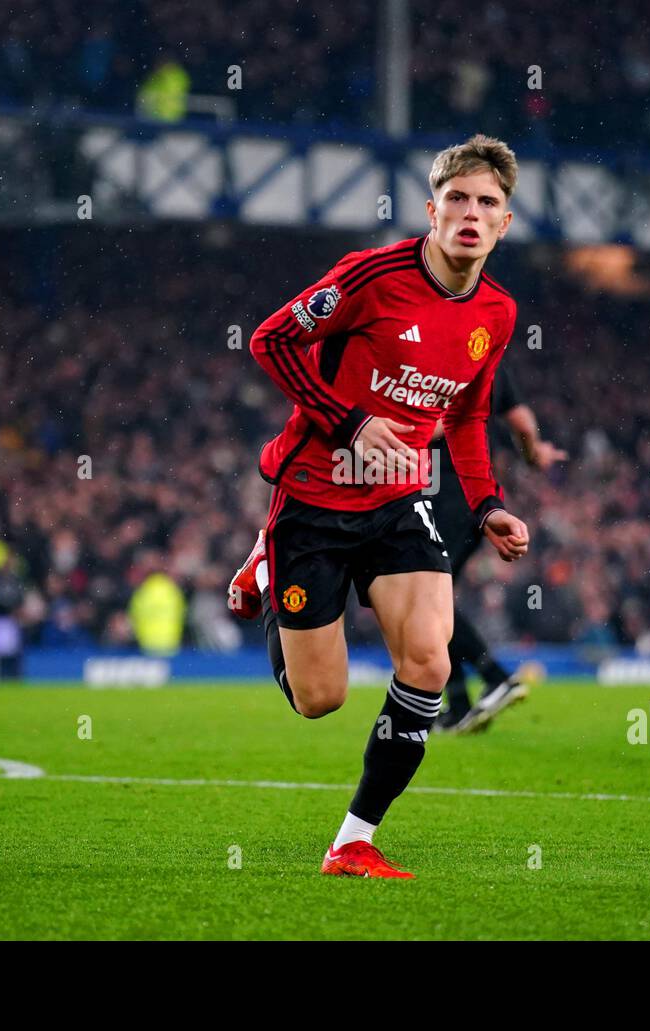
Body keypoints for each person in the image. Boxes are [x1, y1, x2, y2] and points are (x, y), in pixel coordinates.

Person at [228, 135, 530, 877]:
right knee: (319, 698)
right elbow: (271, 341)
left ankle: (352, 839)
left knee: (428, 660)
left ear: (504, 224)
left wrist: (487, 502)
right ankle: (269, 567)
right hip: (313, 501)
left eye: (486, 202)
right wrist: (350, 423)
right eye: (457, 198)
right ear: (432, 211)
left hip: (402, 503)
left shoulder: (497, 310)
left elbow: (464, 416)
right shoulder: (372, 277)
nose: (470, 212)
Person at [429, 363, 566, 733]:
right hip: (482, 499)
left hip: (445, 497)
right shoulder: (489, 362)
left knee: (426, 599)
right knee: (433, 603)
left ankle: (496, 678)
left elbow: (443, 421)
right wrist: (533, 454)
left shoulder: (436, 355)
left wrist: (388, 434)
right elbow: (521, 422)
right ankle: (458, 705)